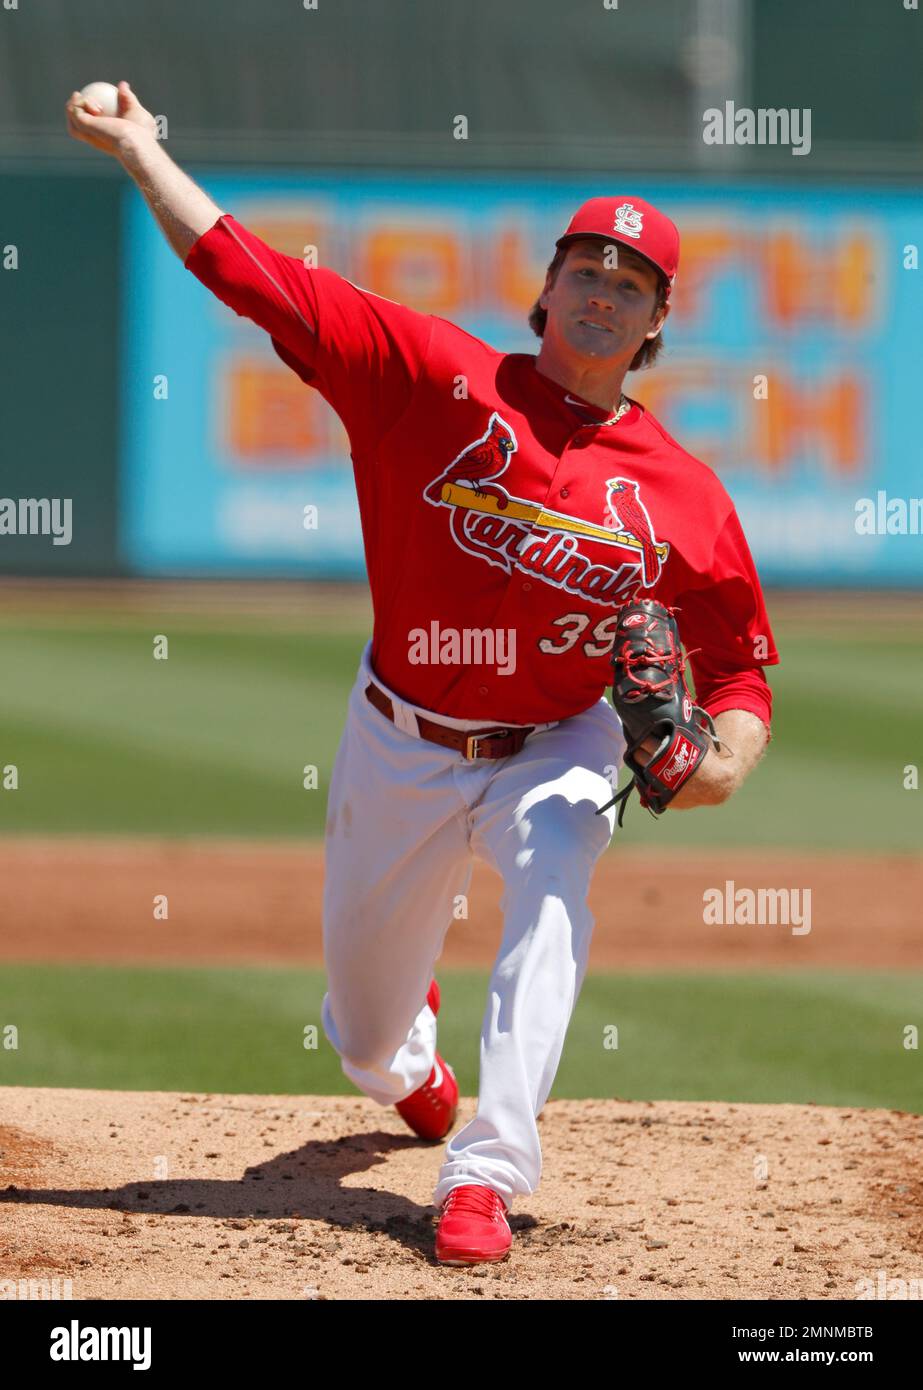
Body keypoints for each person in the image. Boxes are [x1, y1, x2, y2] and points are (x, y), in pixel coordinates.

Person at [66, 82, 779, 1268]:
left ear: (654, 324)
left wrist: (712, 762)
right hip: (400, 732)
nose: (602, 295)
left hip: (558, 739)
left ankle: (485, 1176)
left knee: (553, 874)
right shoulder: (427, 377)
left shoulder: (684, 496)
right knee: (359, 1032)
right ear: (544, 289)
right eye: (586, 272)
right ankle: (413, 1066)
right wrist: (143, 150)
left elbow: (741, 670)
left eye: (630, 284)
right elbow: (253, 275)